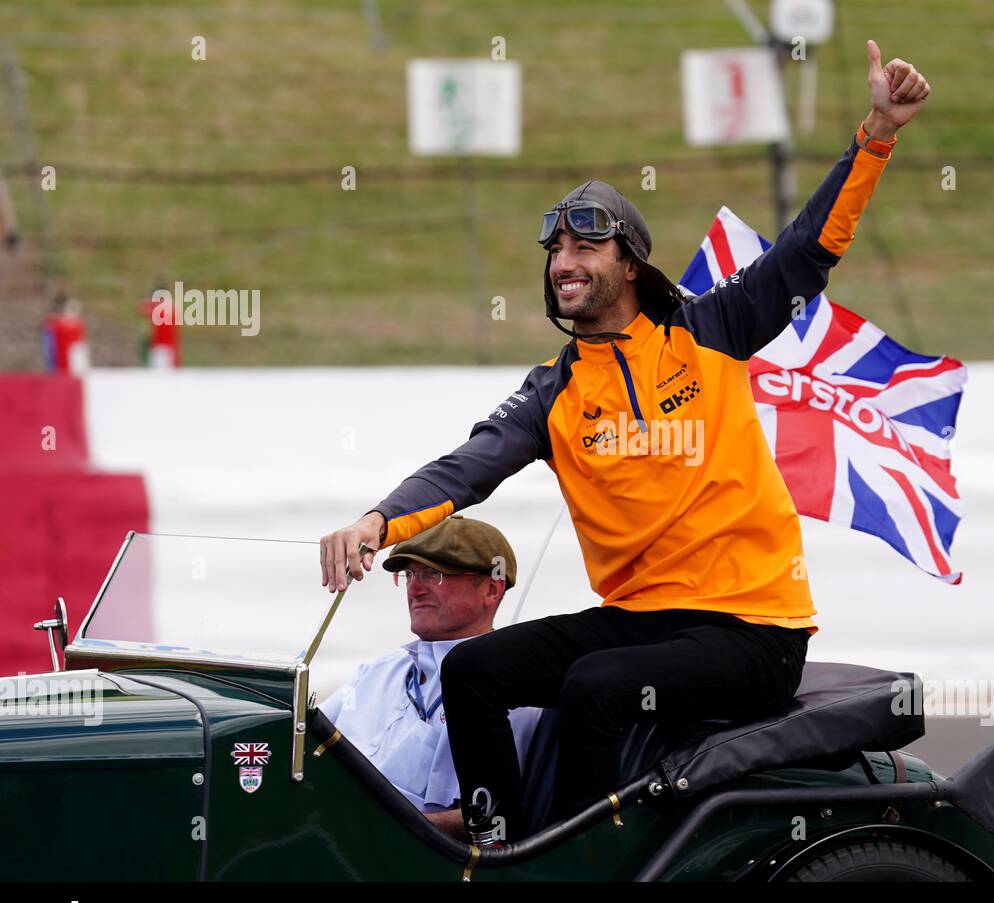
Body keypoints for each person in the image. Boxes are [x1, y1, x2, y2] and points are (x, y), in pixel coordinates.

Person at [321, 39, 930, 842]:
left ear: (631, 263)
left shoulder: (709, 330)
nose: (563, 263)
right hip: (643, 619)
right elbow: (466, 468)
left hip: (754, 631)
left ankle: (576, 861)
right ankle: (498, 842)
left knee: (597, 685)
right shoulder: (554, 389)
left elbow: (806, 251)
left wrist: (877, 132)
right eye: (555, 251)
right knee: (473, 670)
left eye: (583, 247)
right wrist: (378, 521)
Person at [317, 516, 540, 838]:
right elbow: (303, 742)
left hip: (393, 851)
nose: (415, 589)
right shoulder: (379, 670)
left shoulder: (514, 692)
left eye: (434, 574)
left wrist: (365, 825)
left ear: (491, 589)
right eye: (409, 575)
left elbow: (493, 819)